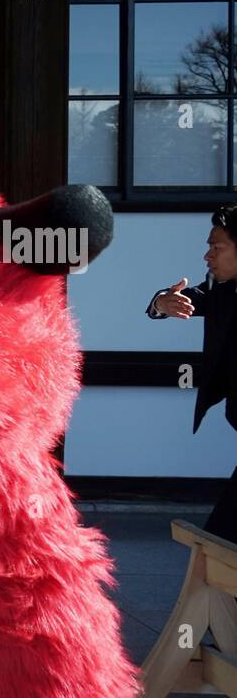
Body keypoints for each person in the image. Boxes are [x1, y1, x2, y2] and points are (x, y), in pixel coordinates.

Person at [146, 203, 237, 541]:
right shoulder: (222, 289)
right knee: (223, 540)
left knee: (223, 538)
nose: (207, 256)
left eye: (216, 247)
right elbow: (186, 297)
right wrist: (162, 303)